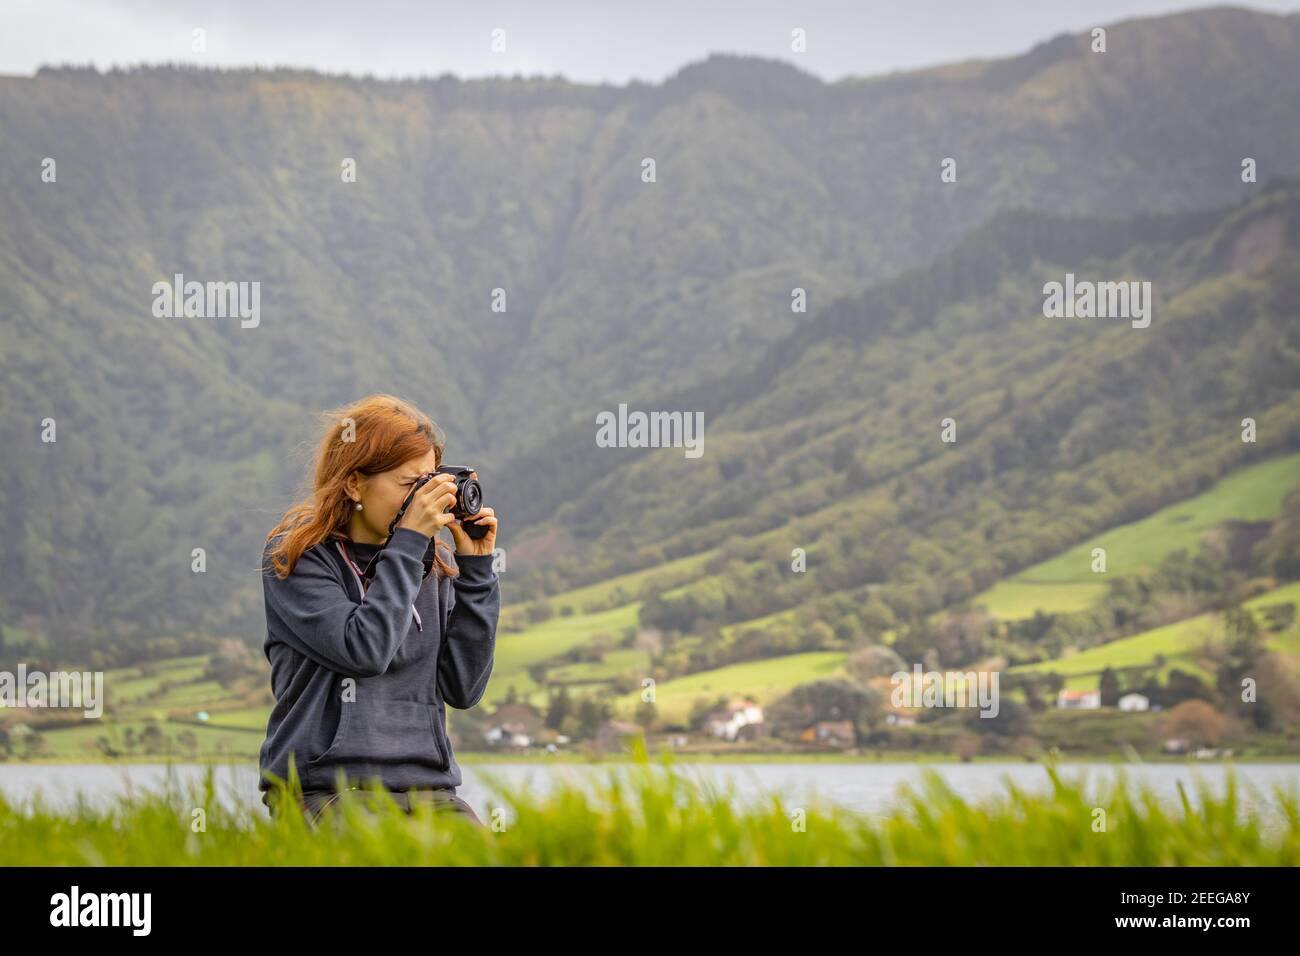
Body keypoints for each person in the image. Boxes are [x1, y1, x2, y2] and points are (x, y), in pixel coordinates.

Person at [257, 394, 500, 829]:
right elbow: (364, 652)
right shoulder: (297, 558)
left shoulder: (430, 567)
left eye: (431, 483)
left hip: (429, 789)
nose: (424, 499)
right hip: (324, 790)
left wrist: (477, 571)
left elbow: (464, 690)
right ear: (354, 484)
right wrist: (408, 544)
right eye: (410, 485)